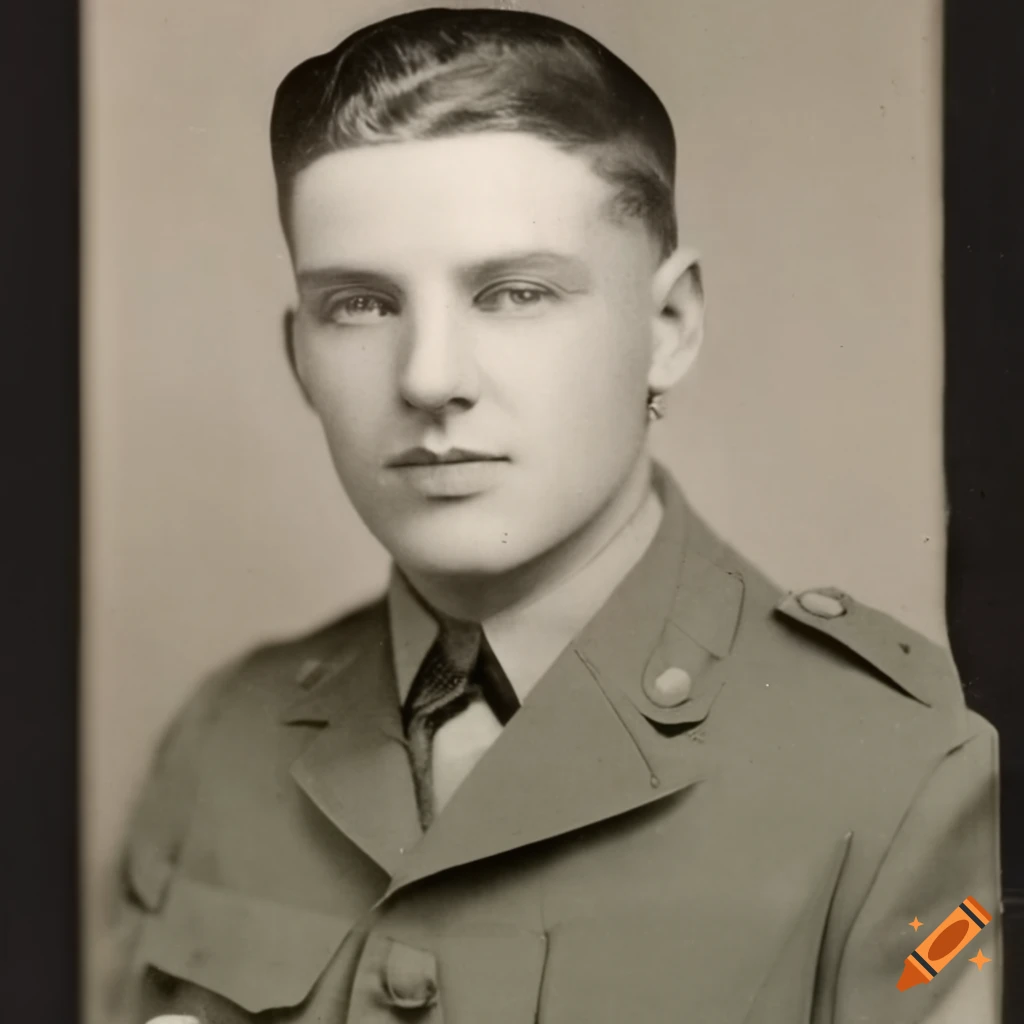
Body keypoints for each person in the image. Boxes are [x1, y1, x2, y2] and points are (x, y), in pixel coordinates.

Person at [107, 8, 1002, 1023]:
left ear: (668, 327)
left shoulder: (895, 773)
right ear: (298, 355)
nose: (429, 377)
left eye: (515, 292)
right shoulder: (222, 742)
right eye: (360, 303)